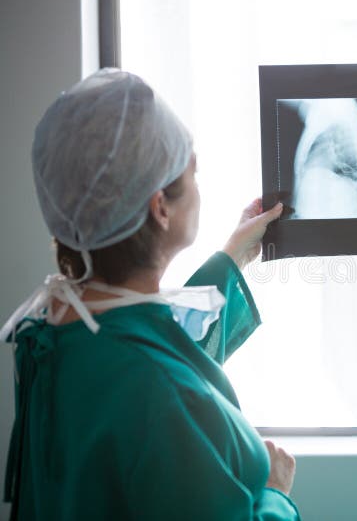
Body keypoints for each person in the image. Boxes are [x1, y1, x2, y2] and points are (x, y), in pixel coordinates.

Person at [1, 69, 300, 520]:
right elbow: (161, 389)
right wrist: (276, 494)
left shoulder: (53, 335)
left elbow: (147, 354)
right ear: (160, 207)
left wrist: (232, 256)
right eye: (194, 172)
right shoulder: (161, 397)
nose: (199, 187)